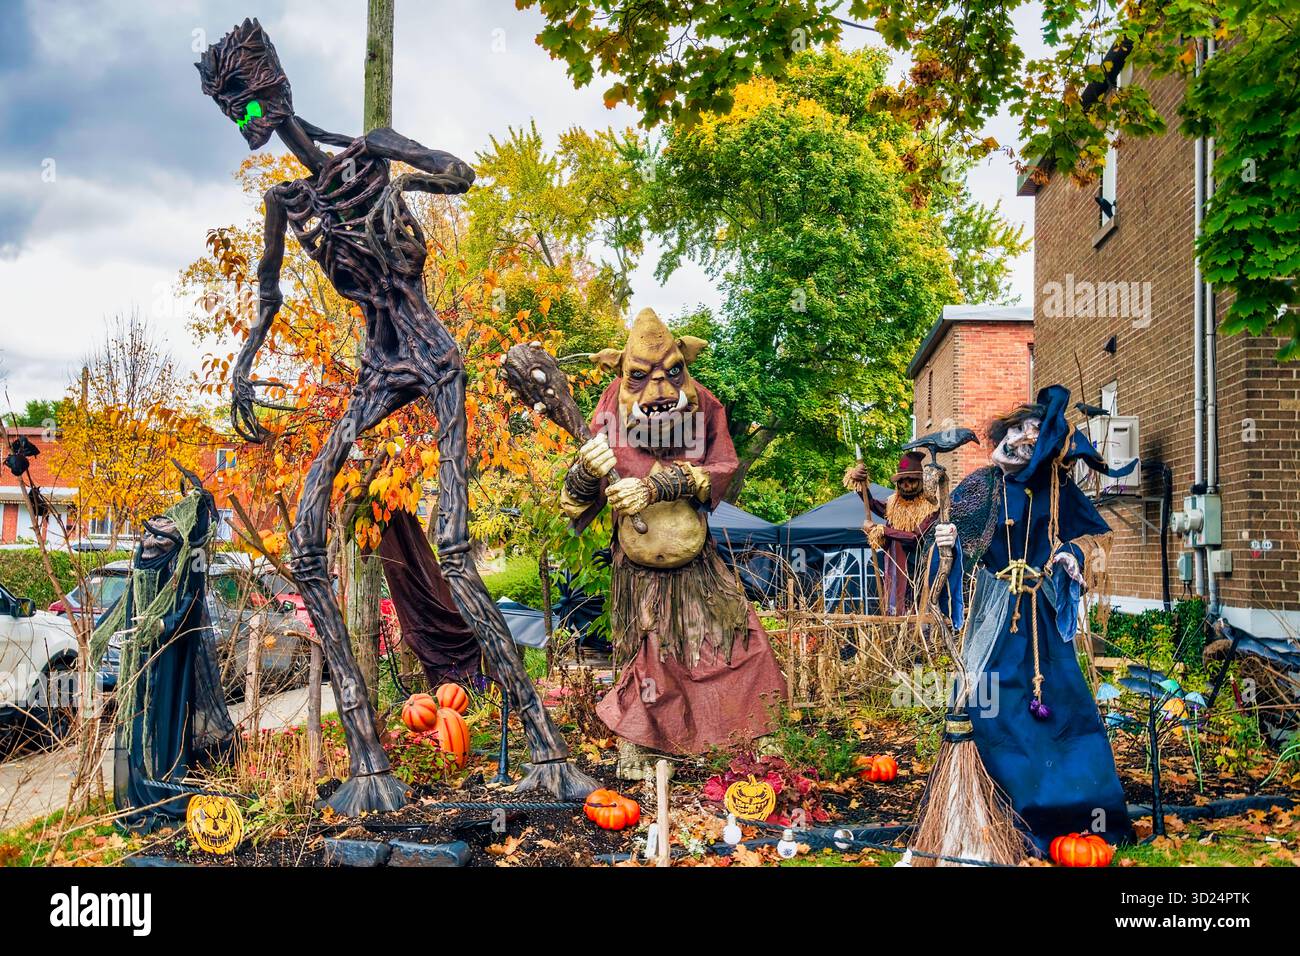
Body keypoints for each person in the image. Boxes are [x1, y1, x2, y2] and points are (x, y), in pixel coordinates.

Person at [560, 308, 787, 779]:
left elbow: (722, 470)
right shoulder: (610, 408)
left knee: (736, 636)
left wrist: (659, 486)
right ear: (620, 371)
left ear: (686, 361)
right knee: (651, 655)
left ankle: (759, 735)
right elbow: (573, 505)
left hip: (696, 561)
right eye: (640, 376)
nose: (660, 390)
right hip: (639, 566)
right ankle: (643, 749)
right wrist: (585, 474)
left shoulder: (703, 404)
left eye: (673, 371)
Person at [928, 385, 1132, 853]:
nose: (1024, 437)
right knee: (992, 705)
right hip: (997, 613)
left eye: (1034, 430)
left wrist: (1068, 555)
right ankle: (997, 818)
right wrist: (948, 548)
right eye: (1017, 428)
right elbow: (955, 555)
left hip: (1040, 614)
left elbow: (1091, 539)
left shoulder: (1055, 487)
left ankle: (1079, 815)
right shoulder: (981, 486)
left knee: (1062, 707)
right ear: (1004, 434)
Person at [844, 451, 938, 614]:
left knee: (916, 611)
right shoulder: (893, 504)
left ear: (920, 481)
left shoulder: (930, 507)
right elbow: (871, 503)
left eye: (910, 480)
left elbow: (915, 537)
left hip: (918, 570)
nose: (905, 484)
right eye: (901, 480)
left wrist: (881, 529)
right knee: (894, 609)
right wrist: (860, 481)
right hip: (894, 570)